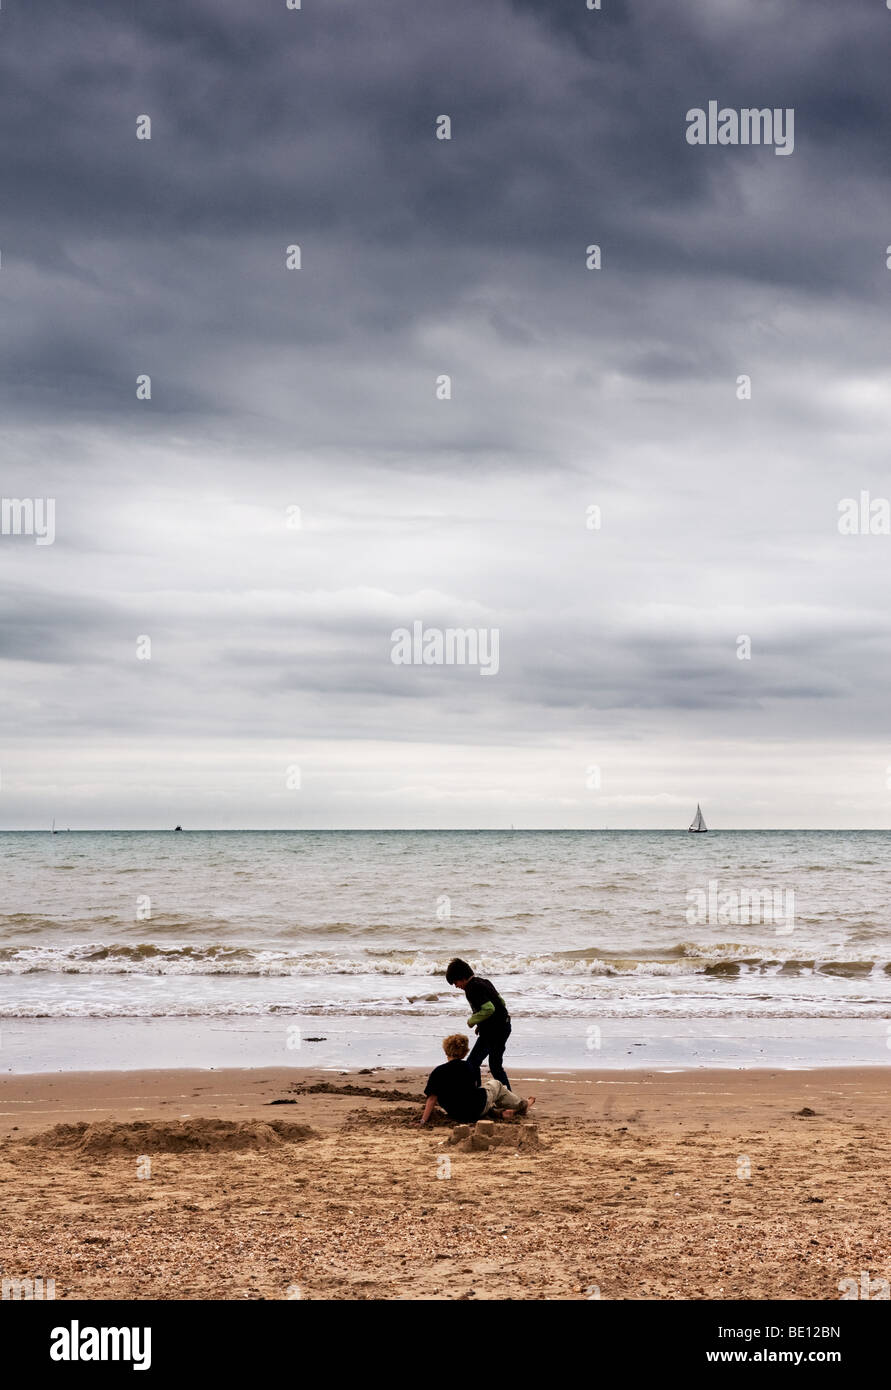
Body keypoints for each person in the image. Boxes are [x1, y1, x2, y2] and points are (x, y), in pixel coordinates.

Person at [419, 1034, 534, 1125]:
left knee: (471, 1098)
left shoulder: (437, 1072)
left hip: (457, 1114)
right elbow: (474, 1087)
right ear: (464, 1053)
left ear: (445, 1051)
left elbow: (431, 1099)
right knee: (496, 1085)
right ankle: (522, 1106)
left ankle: (497, 1112)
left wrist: (423, 1121)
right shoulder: (468, 1066)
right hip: (477, 1109)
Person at [445, 957, 512, 1088]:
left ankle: (475, 1094)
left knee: (472, 1063)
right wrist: (481, 1025)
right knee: (495, 1065)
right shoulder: (484, 982)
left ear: (462, 977)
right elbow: (501, 1003)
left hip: (493, 1031)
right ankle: (510, 1099)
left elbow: (489, 1009)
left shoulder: (471, 988)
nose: (456, 986)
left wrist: (472, 1021)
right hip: (505, 1026)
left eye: (455, 982)